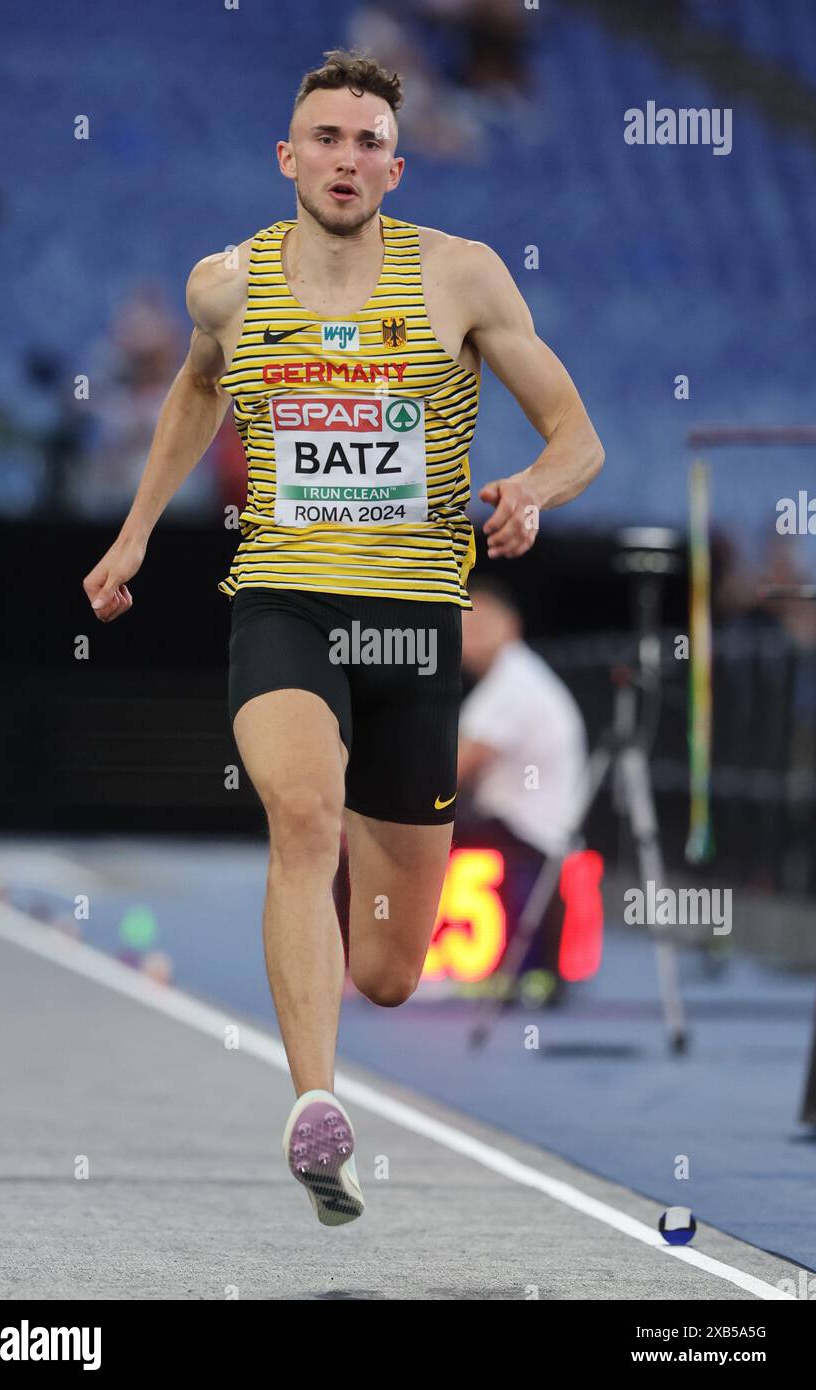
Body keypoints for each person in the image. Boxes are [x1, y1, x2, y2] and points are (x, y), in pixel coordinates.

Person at [82, 49, 604, 1227]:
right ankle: (314, 1103)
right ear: (288, 156)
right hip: (284, 599)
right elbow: (194, 391)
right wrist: (134, 535)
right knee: (301, 811)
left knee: (390, 966)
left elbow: (579, 435)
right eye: (325, 137)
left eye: (368, 141)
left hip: (415, 622)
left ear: (394, 165)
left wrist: (529, 488)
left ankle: (347, 1021)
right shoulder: (227, 287)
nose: (345, 158)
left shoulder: (459, 278)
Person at [456, 574, 590, 1002]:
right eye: (462, 628)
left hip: (529, 832)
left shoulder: (512, 682)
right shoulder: (512, 676)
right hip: (528, 825)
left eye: (479, 626)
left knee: (388, 823)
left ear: (510, 626)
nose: (469, 638)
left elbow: (451, 772)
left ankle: (381, 957)